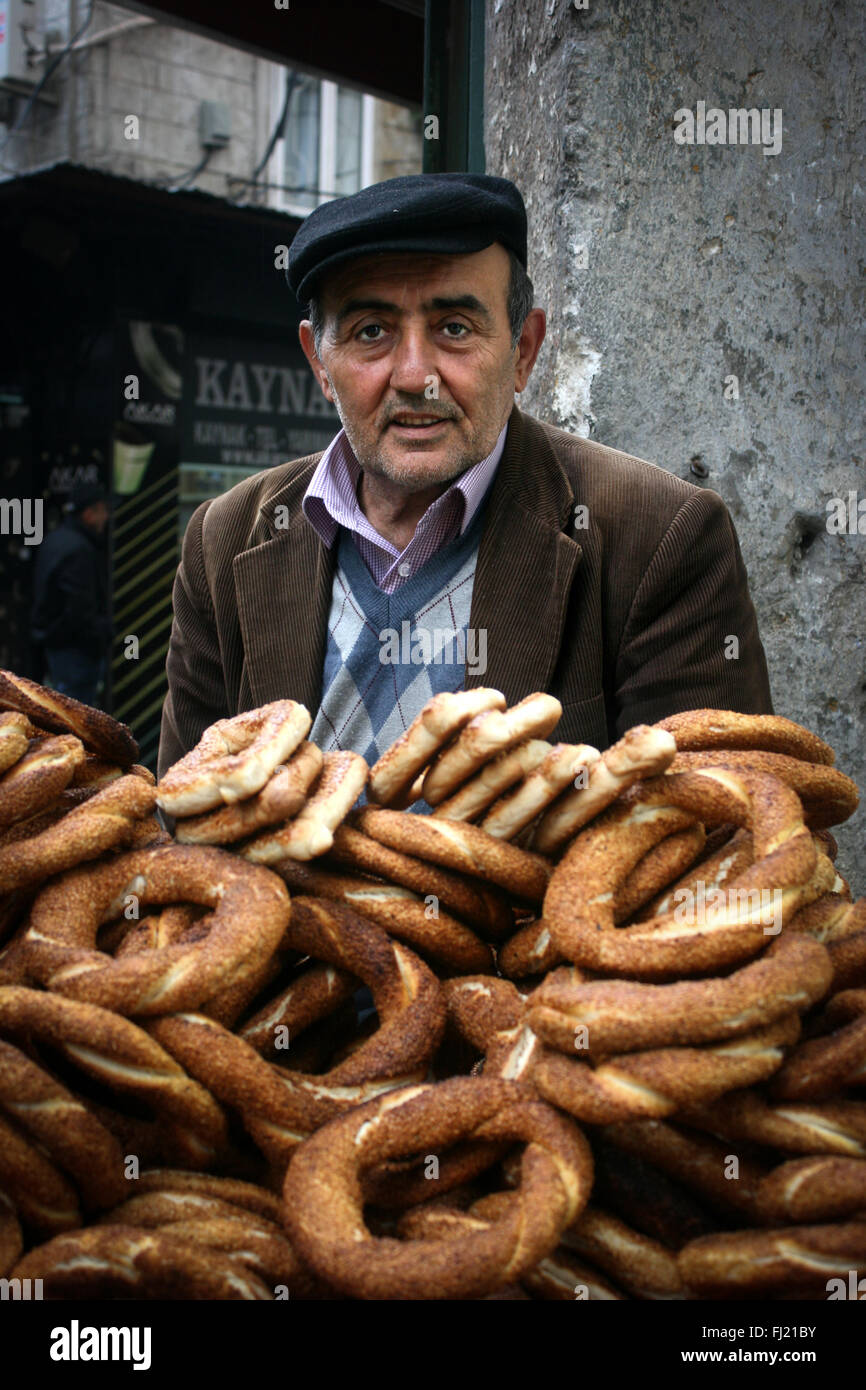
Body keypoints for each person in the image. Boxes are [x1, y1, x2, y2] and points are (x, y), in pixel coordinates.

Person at [158, 172, 772, 782]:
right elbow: (183, 829)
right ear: (320, 362)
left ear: (524, 351)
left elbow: (710, 834)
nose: (415, 375)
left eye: (455, 327)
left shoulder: (660, 538)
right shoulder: (226, 539)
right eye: (372, 332)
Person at [31, 481, 112, 707]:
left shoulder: (55, 540)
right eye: (103, 510)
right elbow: (79, 609)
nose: (106, 517)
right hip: (76, 653)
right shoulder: (79, 549)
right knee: (77, 720)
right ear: (89, 513)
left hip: (59, 649)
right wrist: (100, 635)